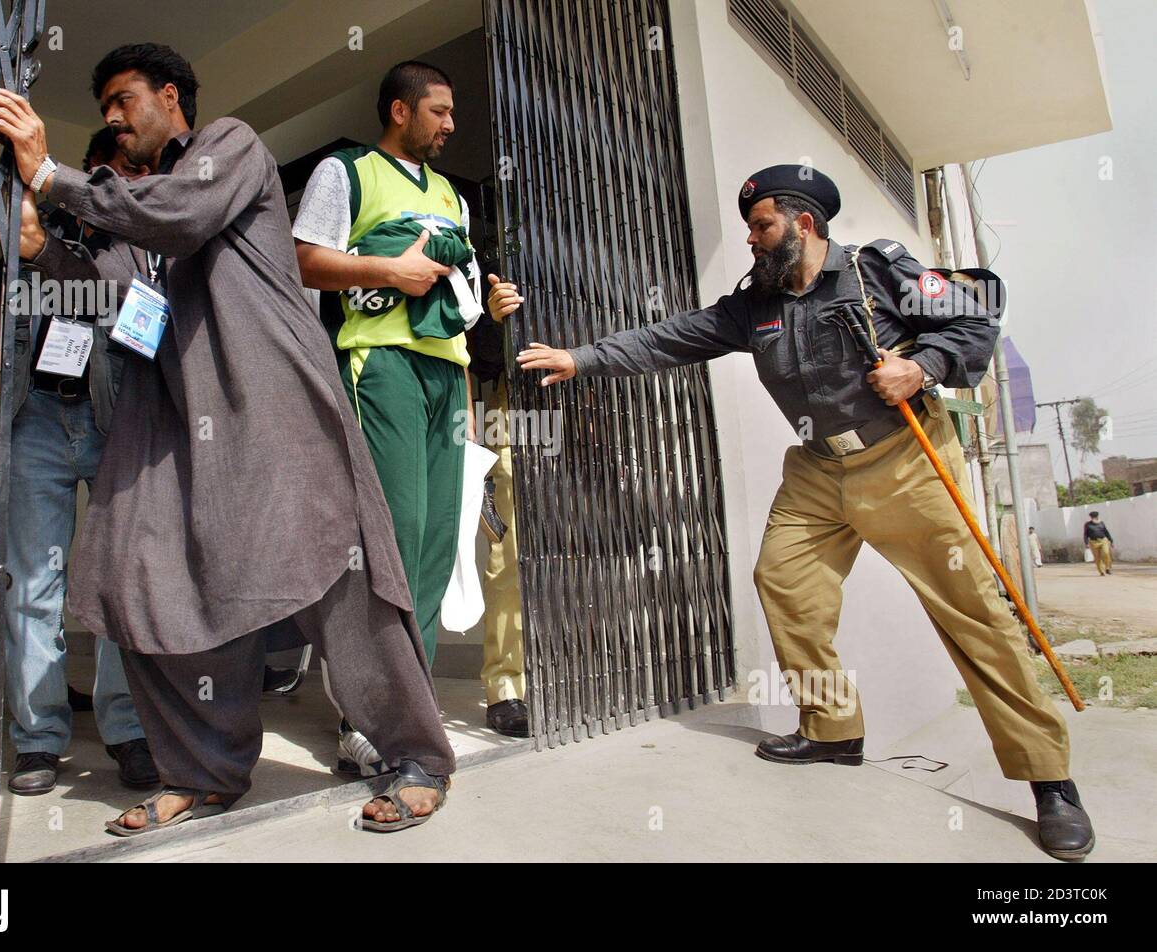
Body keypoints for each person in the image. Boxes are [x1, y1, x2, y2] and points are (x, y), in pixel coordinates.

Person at [514, 164, 1095, 861]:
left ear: (804, 224)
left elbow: (978, 312)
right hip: (819, 472)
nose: (752, 242)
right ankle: (831, 729)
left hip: (905, 461)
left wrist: (924, 365)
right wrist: (582, 358)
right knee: (784, 582)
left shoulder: (881, 272)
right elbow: (669, 337)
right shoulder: (753, 304)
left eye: (761, 227)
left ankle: (1050, 781)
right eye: (750, 231)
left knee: (972, 610)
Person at [0, 43, 455, 834]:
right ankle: (204, 770)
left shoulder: (227, 147)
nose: (115, 119)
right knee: (149, 578)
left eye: (125, 100)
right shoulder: (133, 214)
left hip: (274, 409)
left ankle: (417, 754)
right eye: (106, 111)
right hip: (176, 423)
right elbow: (123, 310)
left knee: (336, 574)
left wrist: (49, 172)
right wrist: (41, 250)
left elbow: (182, 213)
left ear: (171, 95)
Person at [293, 61, 483, 767]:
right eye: (439, 110)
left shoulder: (453, 196)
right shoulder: (345, 172)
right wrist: (388, 272)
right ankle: (366, 718)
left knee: (435, 545)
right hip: (381, 364)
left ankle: (413, 704)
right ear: (400, 111)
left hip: (446, 369)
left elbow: (455, 287)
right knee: (392, 541)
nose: (451, 123)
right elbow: (304, 261)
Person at [3, 127, 158, 796]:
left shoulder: (138, 242)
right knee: (33, 583)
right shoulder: (31, 223)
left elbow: (126, 309)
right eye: (108, 175)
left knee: (121, 583)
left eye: (125, 180)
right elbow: (0, 308)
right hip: (37, 413)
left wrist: (47, 254)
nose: (113, 191)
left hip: (114, 416)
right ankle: (38, 740)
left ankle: (127, 731)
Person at [479, 274, 528, 737]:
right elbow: (478, 355)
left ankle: (562, 671)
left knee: (581, 550)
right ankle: (506, 688)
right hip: (516, 408)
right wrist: (496, 322)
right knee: (509, 556)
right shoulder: (507, 264)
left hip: (586, 410)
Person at [1083, 511, 1114, 575]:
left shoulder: (1101, 523)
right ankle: (1101, 571)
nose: (1093, 518)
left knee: (1106, 553)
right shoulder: (1087, 524)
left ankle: (1107, 568)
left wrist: (1111, 540)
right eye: (1092, 517)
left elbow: (1106, 532)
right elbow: (1085, 534)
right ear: (1090, 517)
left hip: (1103, 541)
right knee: (1097, 557)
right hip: (1093, 542)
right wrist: (1086, 543)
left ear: (1097, 516)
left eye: (1094, 517)